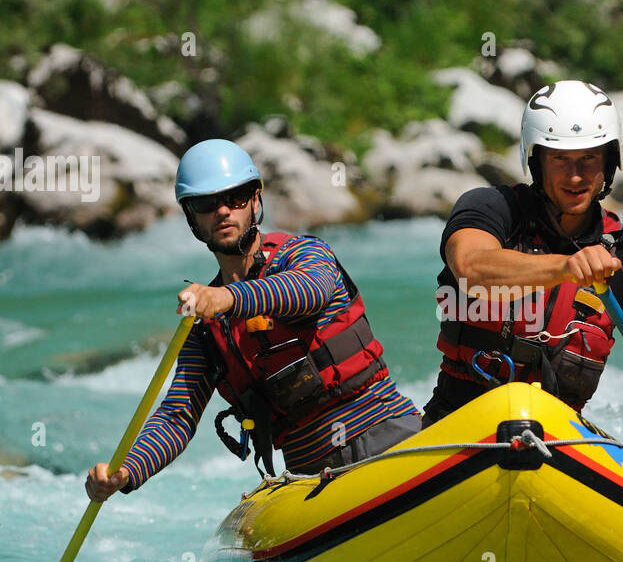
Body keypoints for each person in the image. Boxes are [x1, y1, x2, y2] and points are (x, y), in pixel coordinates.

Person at [422, 80, 623, 499]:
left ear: (610, 162)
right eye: (560, 160)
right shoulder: (491, 209)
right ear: (535, 160)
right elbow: (471, 268)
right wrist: (564, 267)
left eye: (590, 159)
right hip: (455, 429)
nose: (576, 175)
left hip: (557, 447)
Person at [86, 139, 421, 501]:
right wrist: (125, 471)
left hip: (388, 432)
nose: (224, 211)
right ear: (191, 217)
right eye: (206, 203)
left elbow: (311, 290)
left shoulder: (305, 255)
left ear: (256, 200)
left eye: (237, 197)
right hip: (310, 478)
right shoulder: (205, 330)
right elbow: (177, 417)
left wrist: (226, 298)